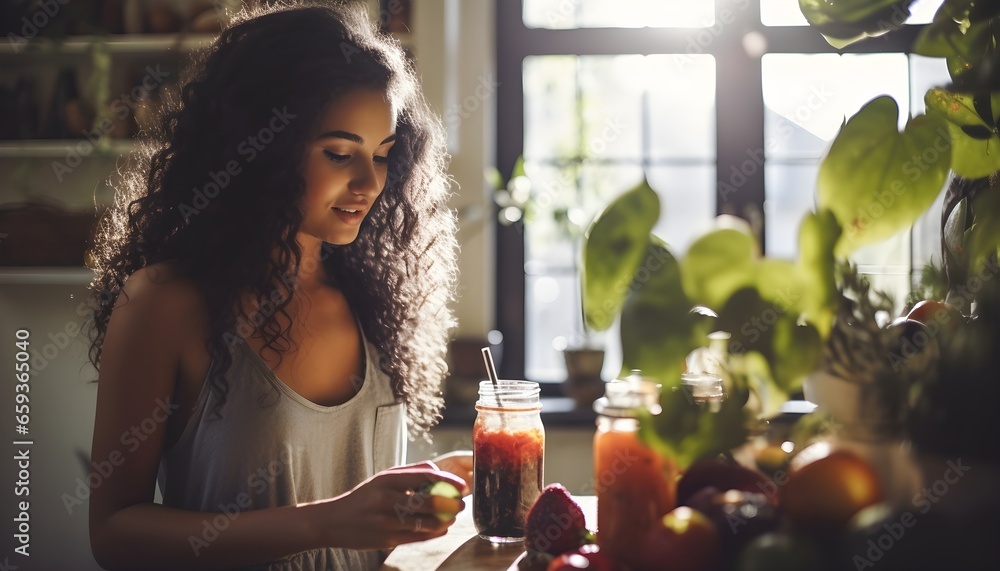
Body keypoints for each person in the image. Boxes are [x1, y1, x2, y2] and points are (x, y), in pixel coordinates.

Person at [84, 1, 472, 569]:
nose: (370, 183)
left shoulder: (374, 294)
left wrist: (420, 491)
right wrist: (327, 520)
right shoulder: (165, 303)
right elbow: (114, 536)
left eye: (384, 155)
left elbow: (349, 498)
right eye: (340, 153)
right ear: (261, 146)